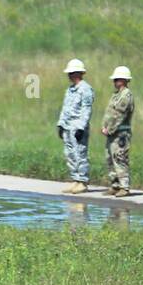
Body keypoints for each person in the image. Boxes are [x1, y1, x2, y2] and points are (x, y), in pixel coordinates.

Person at [56, 58, 94, 194]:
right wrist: (60, 125)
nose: (69, 76)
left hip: (78, 127)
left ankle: (82, 181)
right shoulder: (70, 90)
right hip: (68, 126)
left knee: (80, 154)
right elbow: (65, 108)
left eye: (71, 73)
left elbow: (86, 109)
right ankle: (75, 179)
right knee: (70, 154)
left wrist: (81, 127)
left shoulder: (86, 89)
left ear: (77, 73)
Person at [101, 66, 135, 197]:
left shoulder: (126, 96)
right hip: (111, 133)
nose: (114, 81)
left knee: (120, 158)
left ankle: (124, 187)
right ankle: (115, 185)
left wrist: (109, 129)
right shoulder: (115, 95)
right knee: (110, 158)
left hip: (121, 133)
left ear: (123, 80)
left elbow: (119, 116)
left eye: (116, 79)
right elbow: (109, 113)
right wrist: (104, 126)